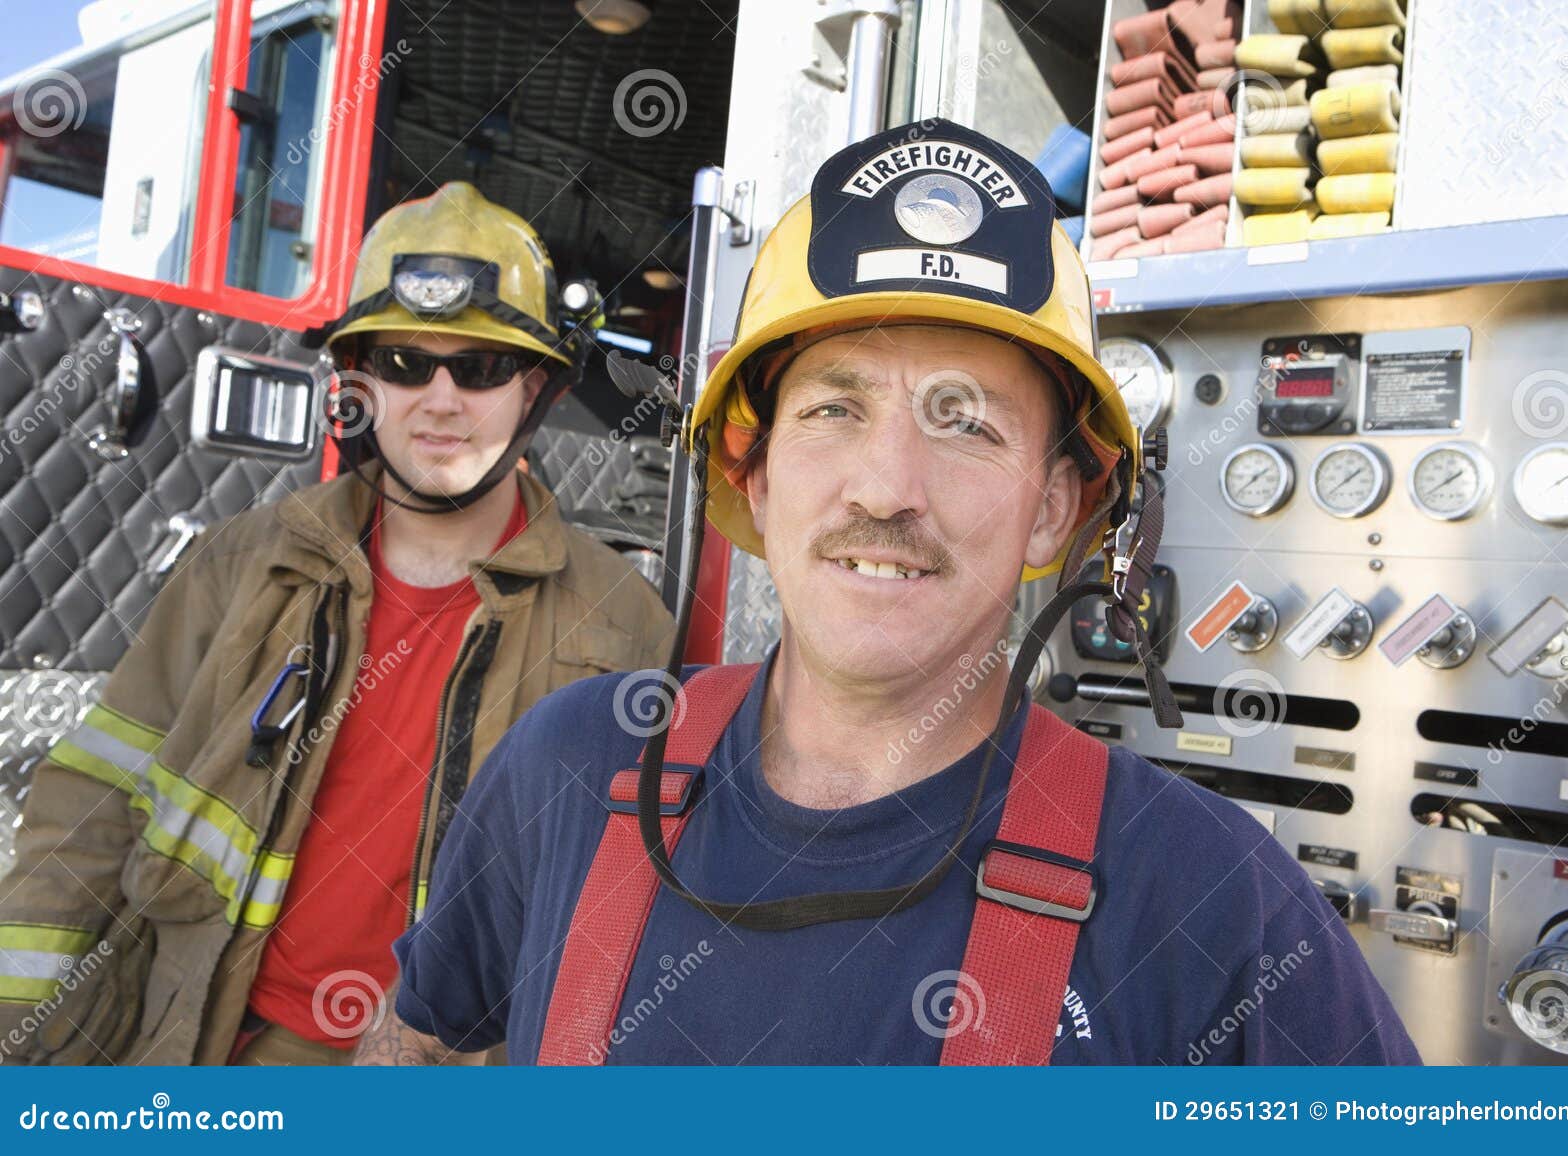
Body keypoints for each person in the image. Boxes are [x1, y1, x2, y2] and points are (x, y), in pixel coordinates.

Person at [360, 125, 1419, 1065]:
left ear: (1054, 508)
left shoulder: (1208, 901)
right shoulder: (576, 767)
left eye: (965, 423)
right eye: (833, 409)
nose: (885, 488)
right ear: (757, 471)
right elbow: (408, 1040)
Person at [0, 183, 673, 1065]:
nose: (440, 400)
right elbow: (89, 804)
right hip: (200, 1045)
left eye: (478, 367)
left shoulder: (625, 625)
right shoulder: (240, 564)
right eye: (403, 364)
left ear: (534, 390)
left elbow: (631, 916)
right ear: (356, 382)